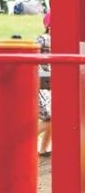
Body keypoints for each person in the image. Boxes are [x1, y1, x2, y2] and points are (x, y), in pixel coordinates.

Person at [39, 11, 53, 157]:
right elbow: (30, 53)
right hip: (41, 84)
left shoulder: (64, 40)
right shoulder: (43, 39)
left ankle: (43, 150)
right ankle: (21, 141)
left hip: (51, 85)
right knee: (52, 117)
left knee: (53, 118)